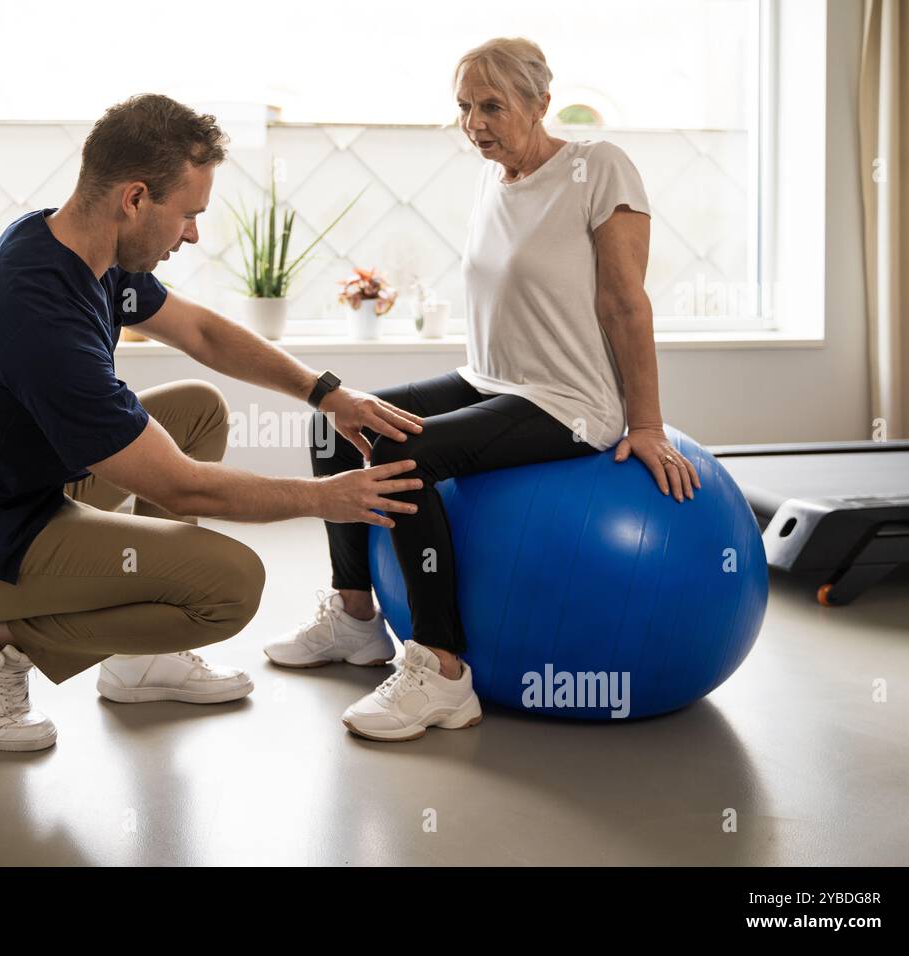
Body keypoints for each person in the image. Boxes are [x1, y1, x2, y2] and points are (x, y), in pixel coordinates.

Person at [0, 94, 427, 752]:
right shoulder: (39, 315)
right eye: (189, 215)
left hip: (22, 482)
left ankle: (140, 661)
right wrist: (325, 499)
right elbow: (184, 489)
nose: (195, 235)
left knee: (196, 407)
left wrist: (324, 393)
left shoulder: (81, 248)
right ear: (135, 198)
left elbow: (202, 332)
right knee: (230, 588)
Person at [266, 37, 702, 743]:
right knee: (331, 424)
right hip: (489, 380)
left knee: (407, 459)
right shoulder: (491, 182)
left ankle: (442, 672)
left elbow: (626, 303)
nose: (475, 123)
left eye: (493, 106)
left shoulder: (598, 169)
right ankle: (355, 619)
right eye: (465, 107)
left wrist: (645, 424)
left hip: (567, 401)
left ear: (541, 103)